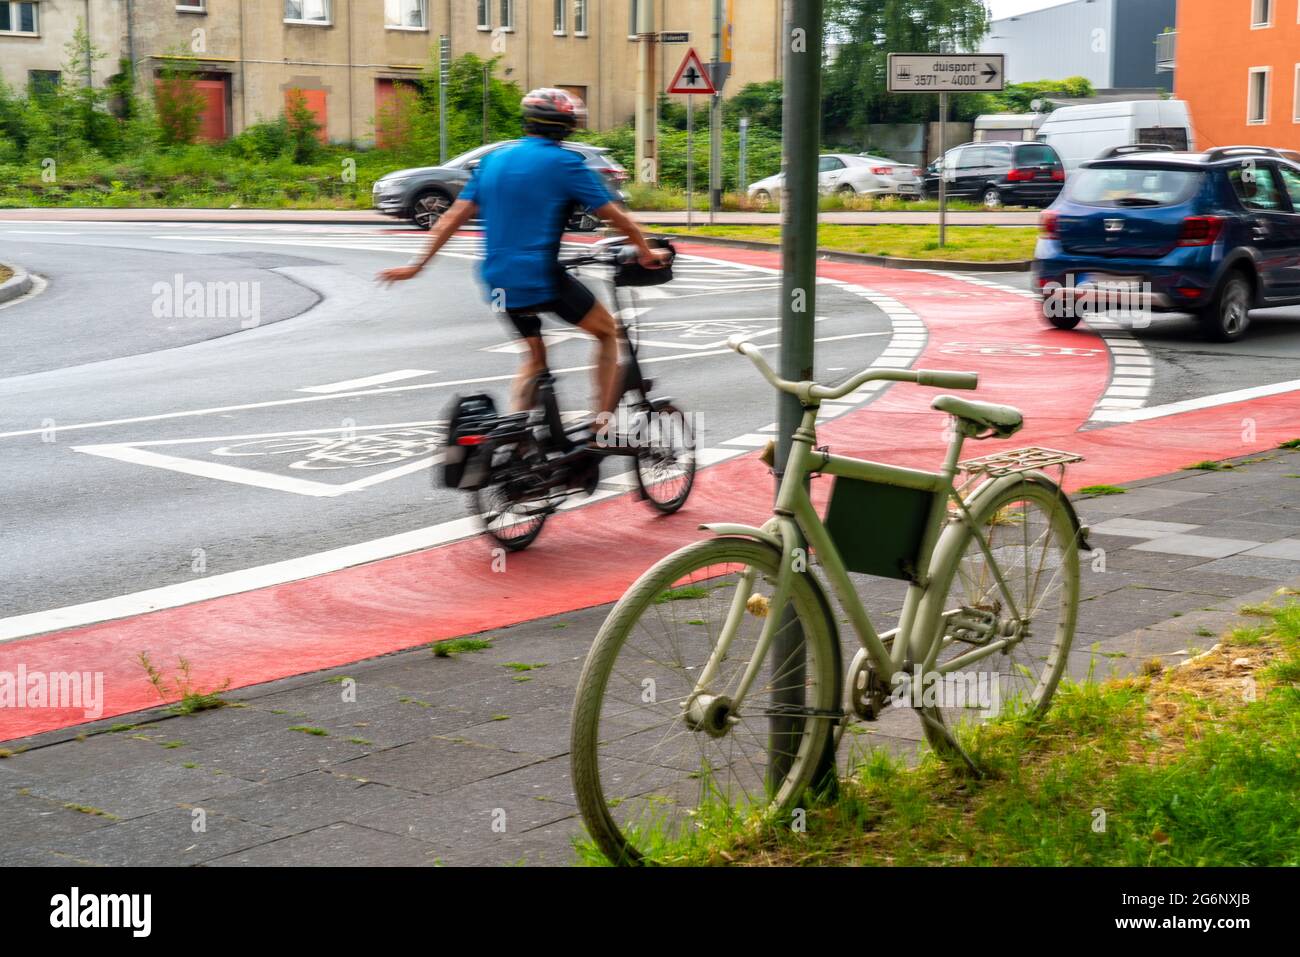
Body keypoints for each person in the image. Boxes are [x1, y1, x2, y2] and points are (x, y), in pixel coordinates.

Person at [377, 88, 670, 419]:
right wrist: (646, 251)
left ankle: (515, 436)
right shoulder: (565, 164)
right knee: (606, 332)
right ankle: (600, 426)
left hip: (496, 283)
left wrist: (416, 265)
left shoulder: (492, 161)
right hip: (539, 278)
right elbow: (617, 218)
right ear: (567, 127)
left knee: (534, 357)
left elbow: (451, 218)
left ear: (528, 122)